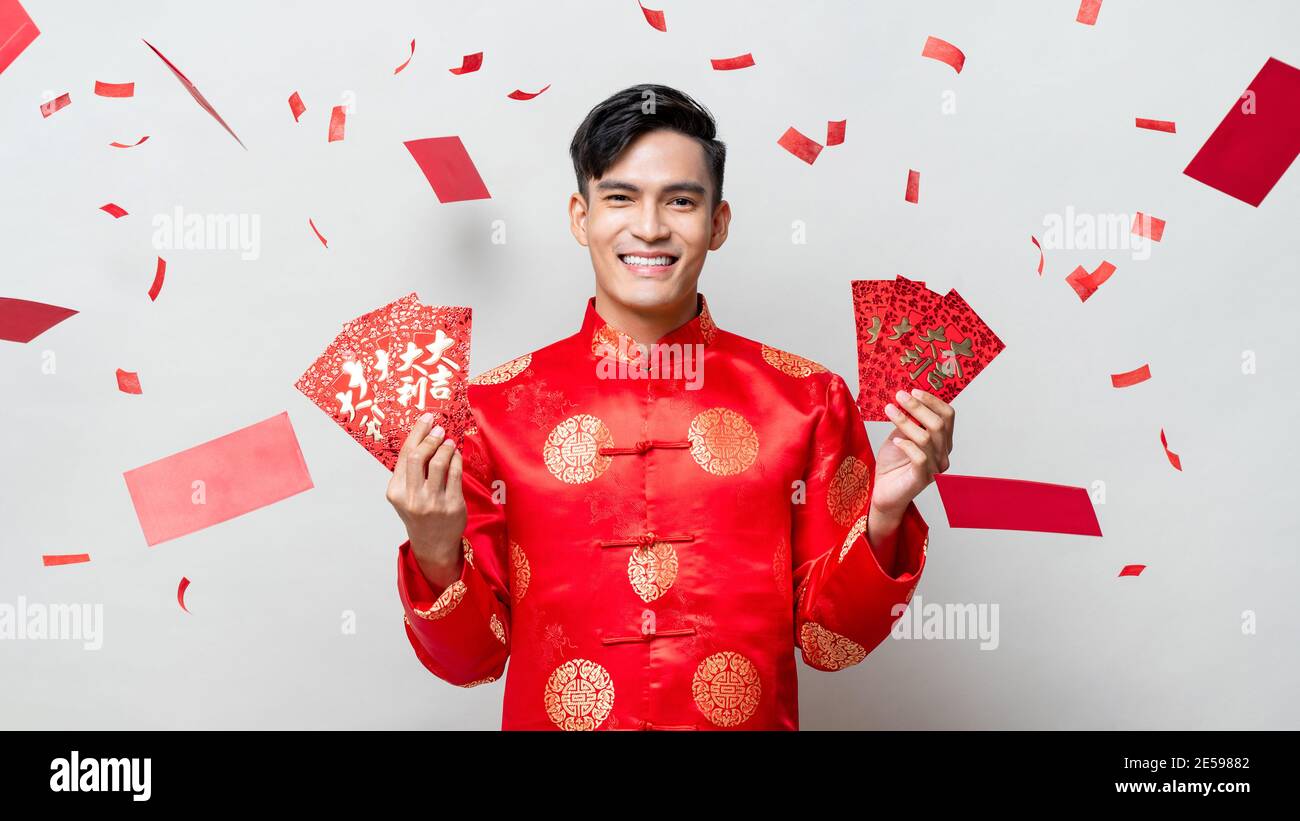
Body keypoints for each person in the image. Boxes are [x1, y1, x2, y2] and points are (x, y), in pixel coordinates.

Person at [386, 83, 955, 730]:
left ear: (717, 223)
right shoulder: (491, 409)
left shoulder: (808, 399)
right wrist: (432, 550)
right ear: (581, 217)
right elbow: (471, 661)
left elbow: (832, 640)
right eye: (620, 198)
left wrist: (885, 514)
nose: (651, 227)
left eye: (680, 201)